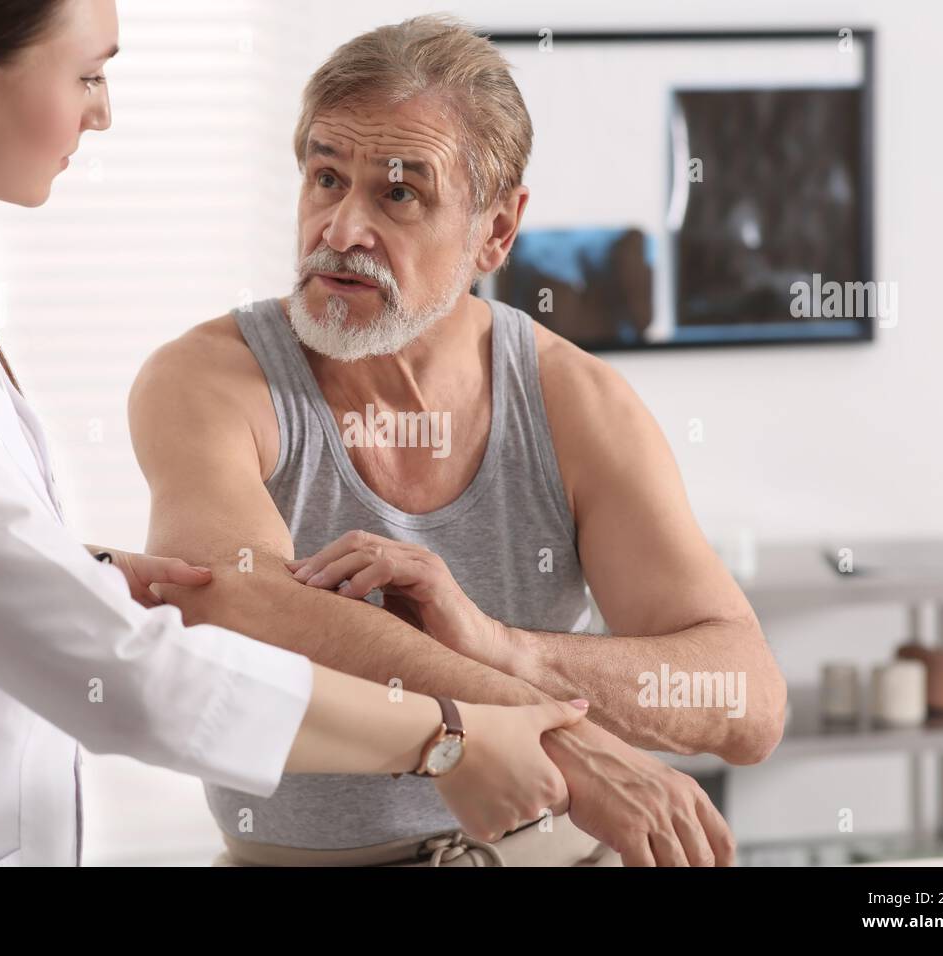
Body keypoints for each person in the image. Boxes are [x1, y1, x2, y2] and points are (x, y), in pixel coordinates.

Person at [0, 0, 590, 866]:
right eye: (88, 74)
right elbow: (128, 679)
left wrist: (87, 573)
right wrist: (448, 736)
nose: (102, 110)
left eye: (401, 191)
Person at [130, 15, 786, 867]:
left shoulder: (574, 400)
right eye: (326, 178)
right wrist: (547, 741)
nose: (340, 230)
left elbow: (748, 699)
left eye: (398, 193)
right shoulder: (211, 379)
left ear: (497, 231)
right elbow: (234, 606)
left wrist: (502, 646)